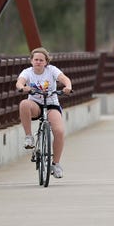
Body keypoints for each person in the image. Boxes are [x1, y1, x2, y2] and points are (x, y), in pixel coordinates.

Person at [16, 47, 73, 179]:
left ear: (46, 62)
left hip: (51, 103)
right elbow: (19, 82)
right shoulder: (27, 72)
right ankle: (29, 137)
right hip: (35, 104)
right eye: (36, 59)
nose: (38, 62)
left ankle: (56, 163)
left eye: (41, 60)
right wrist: (23, 88)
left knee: (59, 131)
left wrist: (68, 87)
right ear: (31, 61)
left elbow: (64, 79)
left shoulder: (51, 70)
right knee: (24, 104)